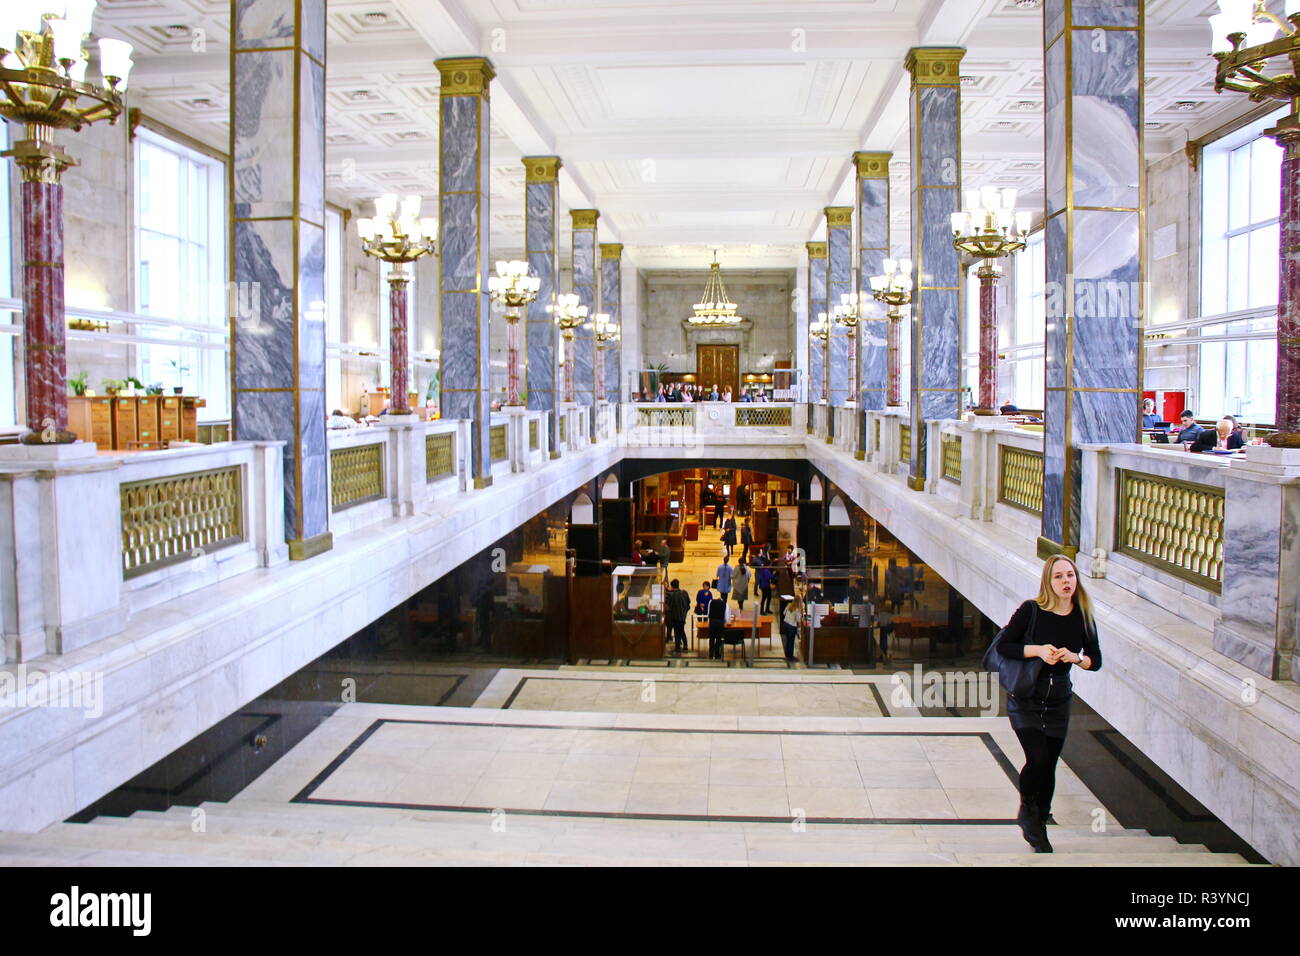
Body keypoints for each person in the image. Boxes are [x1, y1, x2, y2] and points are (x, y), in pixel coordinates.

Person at [996, 554, 1103, 853]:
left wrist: (1076, 658)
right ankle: (1028, 811)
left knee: (1051, 764)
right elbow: (1005, 645)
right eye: (1059, 576)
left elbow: (1095, 661)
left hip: (1058, 698)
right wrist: (1038, 651)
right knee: (1039, 758)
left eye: (1070, 575)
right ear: (1048, 581)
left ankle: (1041, 817)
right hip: (1027, 696)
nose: (1066, 581)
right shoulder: (1031, 610)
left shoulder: (1083, 615)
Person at [666, 578, 691, 655]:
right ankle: (685, 645)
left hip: (675, 617)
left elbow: (669, 606)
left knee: (677, 632)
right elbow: (689, 603)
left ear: (672, 586)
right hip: (683, 616)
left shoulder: (673, 595)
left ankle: (677, 648)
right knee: (682, 631)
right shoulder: (684, 593)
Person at [708, 586, 733, 659]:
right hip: (720, 622)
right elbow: (726, 616)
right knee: (718, 638)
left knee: (711, 638)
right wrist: (725, 622)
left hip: (712, 622)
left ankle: (710, 654)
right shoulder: (725, 604)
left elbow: (708, 612)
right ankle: (717, 654)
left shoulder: (711, 601)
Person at [780, 594, 802, 663]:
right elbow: (798, 620)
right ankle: (790, 657)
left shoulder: (789, 605)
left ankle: (787, 655)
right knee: (791, 642)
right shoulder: (797, 609)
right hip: (791, 627)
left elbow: (784, 613)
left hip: (785, 624)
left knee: (788, 641)